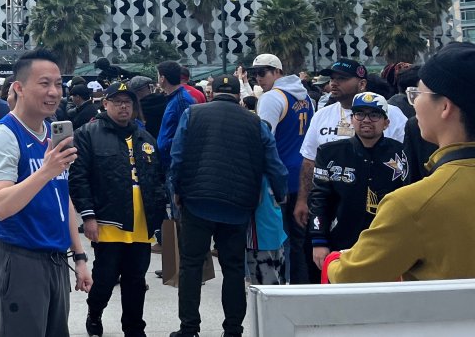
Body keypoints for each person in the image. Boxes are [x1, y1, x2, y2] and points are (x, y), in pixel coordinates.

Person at [326, 42, 475, 282]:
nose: (414, 104)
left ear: (445, 107)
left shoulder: (411, 204)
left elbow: (349, 276)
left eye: (417, 95)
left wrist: (333, 260)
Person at [0, 48, 93, 337]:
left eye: (58, 84)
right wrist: (46, 170)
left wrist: (79, 256)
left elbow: (61, 198)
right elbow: (0, 205)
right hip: (19, 260)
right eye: (44, 83)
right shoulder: (3, 136)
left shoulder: (51, 135)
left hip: (54, 259)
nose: (54, 92)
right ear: (18, 88)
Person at [168, 74, 286, 337]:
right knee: (233, 268)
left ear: (212, 93)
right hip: (238, 207)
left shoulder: (192, 115)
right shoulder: (256, 123)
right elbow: (273, 163)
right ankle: (233, 329)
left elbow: (177, 157)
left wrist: (175, 191)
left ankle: (189, 328)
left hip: (197, 202)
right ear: (238, 96)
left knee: (190, 265)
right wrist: (281, 195)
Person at [71, 81, 166, 337]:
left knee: (136, 280)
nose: (124, 107)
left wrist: (161, 220)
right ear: (105, 104)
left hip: (141, 223)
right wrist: (88, 215)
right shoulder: (88, 134)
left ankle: (134, 327)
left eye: (128, 102)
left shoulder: (145, 137)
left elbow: (156, 179)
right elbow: (79, 178)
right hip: (108, 220)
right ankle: (95, 314)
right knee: (105, 277)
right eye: (117, 102)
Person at [295, 59, 407, 232]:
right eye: (332, 78)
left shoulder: (391, 113)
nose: (334, 83)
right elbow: (310, 160)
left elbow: (405, 159)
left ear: (362, 83)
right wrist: (303, 200)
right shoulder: (321, 115)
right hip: (335, 210)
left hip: (383, 212)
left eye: (342, 78)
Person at [308, 92, 409, 272]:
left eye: (374, 114)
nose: (366, 120)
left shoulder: (401, 153)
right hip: (341, 241)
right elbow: (319, 199)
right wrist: (318, 241)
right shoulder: (329, 153)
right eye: (360, 114)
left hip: (389, 243)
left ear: (386, 122)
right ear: (352, 119)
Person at [248, 53, 314, 284]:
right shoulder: (305, 96)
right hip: (304, 174)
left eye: (263, 72)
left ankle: (283, 286)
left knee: (278, 238)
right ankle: (301, 286)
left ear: (277, 72)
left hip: (279, 177)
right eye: (254, 73)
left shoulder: (271, 98)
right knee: (300, 240)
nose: (258, 78)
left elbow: (264, 141)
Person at [155, 60, 196, 166]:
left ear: (163, 79)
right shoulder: (174, 98)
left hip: (173, 163)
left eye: (158, 76)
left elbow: (186, 133)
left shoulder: (181, 100)